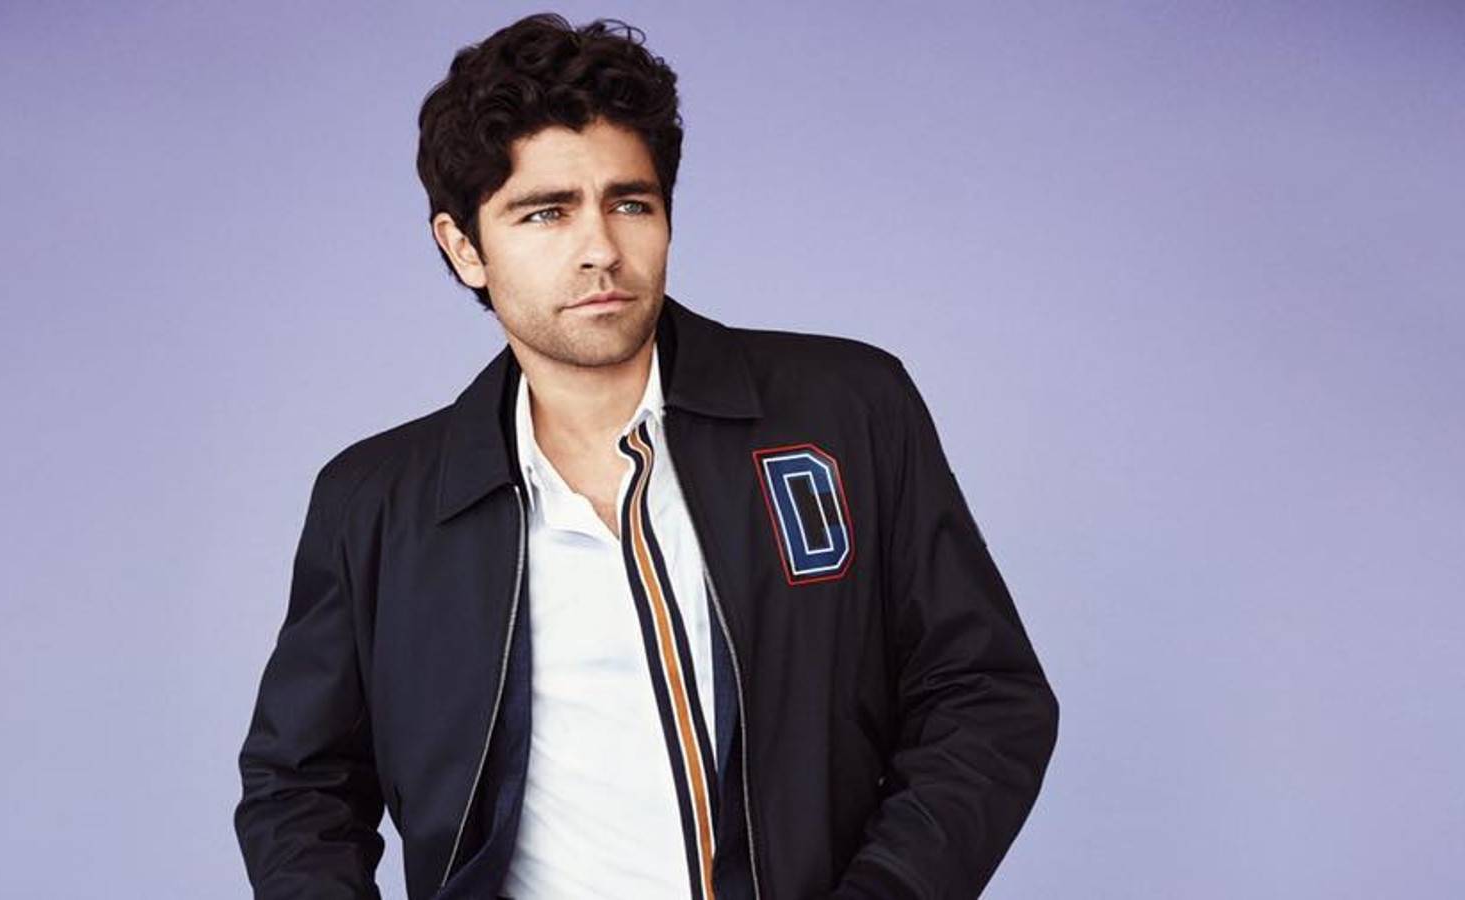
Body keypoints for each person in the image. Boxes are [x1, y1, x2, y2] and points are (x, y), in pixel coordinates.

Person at [234, 13, 1058, 900]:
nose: (601, 250)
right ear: (464, 247)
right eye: (546, 212)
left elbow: (984, 695)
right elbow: (299, 786)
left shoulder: (845, 411)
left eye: (630, 203)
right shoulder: (378, 503)